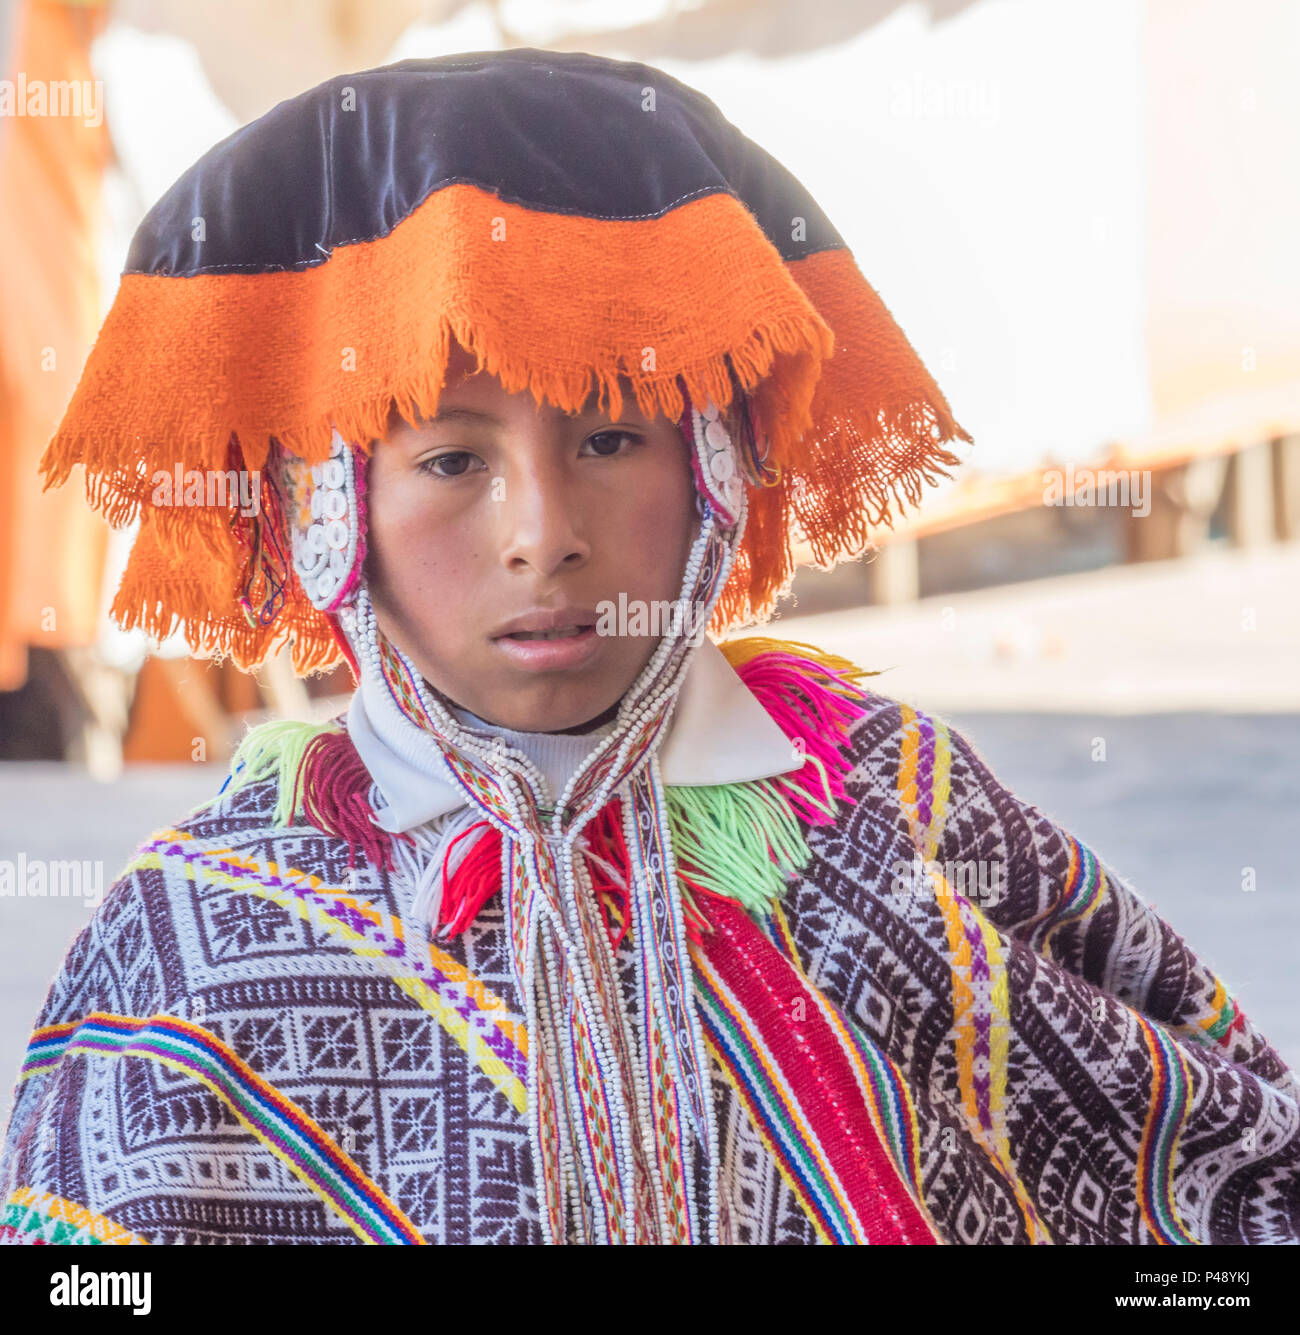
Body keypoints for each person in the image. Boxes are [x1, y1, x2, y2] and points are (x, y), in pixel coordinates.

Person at [1, 48, 1296, 1247]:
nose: (543, 536)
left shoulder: (893, 814)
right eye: (451, 459)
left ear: (716, 471)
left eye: (613, 438)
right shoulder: (200, 942)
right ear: (326, 515)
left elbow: (1223, 1177)